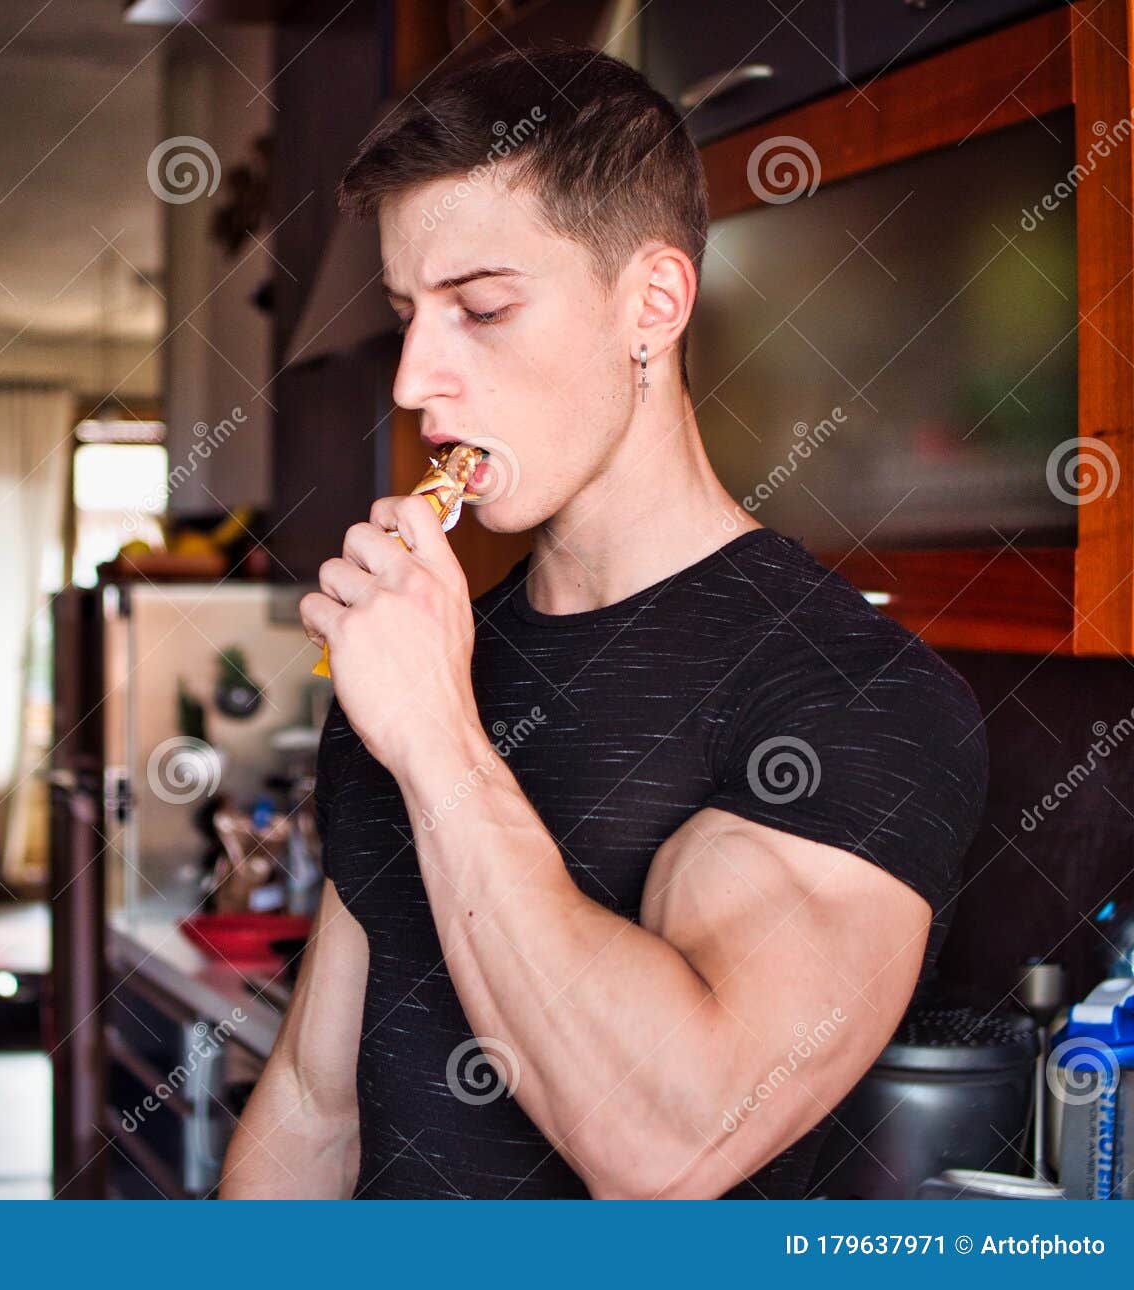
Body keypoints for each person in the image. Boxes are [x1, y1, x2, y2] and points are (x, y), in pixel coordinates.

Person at [219, 45, 987, 1200]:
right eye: (404, 314)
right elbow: (315, 1106)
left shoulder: (853, 694)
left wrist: (437, 744)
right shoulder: (422, 656)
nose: (415, 380)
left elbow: (666, 1146)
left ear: (653, 305)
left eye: (481, 307)